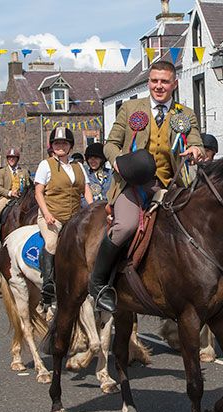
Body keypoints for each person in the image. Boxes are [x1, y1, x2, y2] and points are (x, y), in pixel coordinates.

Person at [90, 59, 204, 312]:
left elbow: (196, 141)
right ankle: (98, 283)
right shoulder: (131, 109)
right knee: (126, 226)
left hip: (171, 185)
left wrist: (196, 149)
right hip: (132, 183)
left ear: (174, 84)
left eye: (164, 81)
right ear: (148, 82)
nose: (159, 86)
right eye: (154, 81)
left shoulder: (185, 114)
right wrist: (117, 161)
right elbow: (110, 143)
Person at [34, 127, 95, 306]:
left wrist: (93, 211)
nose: (61, 146)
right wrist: (46, 214)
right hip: (53, 216)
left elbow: (86, 190)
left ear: (70, 146)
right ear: (52, 146)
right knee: (52, 243)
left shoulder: (78, 167)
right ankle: (48, 284)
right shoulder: (45, 165)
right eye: (57, 143)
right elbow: (38, 192)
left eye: (64, 143)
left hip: (75, 218)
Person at [0, 148, 30, 250]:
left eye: (14, 158)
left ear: (17, 159)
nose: (11, 159)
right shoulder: (2, 171)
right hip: (6, 197)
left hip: (22, 197)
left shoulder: (24, 172)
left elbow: (29, 185)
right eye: (10, 158)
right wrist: (9, 193)